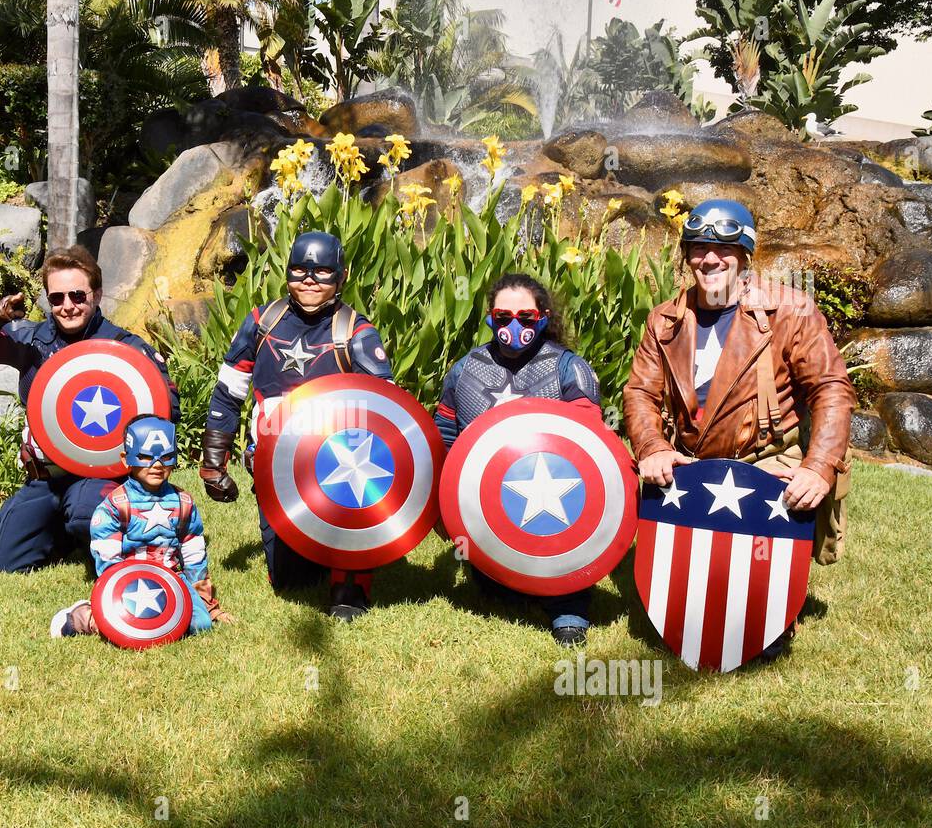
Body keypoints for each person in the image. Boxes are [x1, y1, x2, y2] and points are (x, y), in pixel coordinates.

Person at [623, 198, 856, 655]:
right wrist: (651, 445)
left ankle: (767, 604)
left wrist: (819, 466)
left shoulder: (791, 311)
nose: (708, 259)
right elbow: (640, 393)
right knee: (686, 599)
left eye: (723, 248)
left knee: (757, 620)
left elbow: (831, 388)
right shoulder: (665, 320)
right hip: (694, 463)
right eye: (697, 247)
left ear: (746, 255)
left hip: (768, 460)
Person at [198, 230, 393, 620]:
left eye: (322, 271)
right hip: (273, 462)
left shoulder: (354, 331)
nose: (309, 280)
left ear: (341, 276)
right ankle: (315, 549)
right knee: (291, 580)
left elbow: (384, 410)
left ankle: (350, 580)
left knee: (343, 537)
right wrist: (212, 460)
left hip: (339, 463)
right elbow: (228, 392)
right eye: (300, 270)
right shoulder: (262, 322)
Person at [0, 245, 178, 573]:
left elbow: (166, 408)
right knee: (7, 564)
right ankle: (57, 533)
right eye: (56, 298)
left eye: (77, 295)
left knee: (87, 513)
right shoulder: (30, 341)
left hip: (103, 474)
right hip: (47, 475)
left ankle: (95, 533)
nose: (67, 306)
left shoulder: (126, 348)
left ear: (96, 295)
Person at [434, 273, 603, 647]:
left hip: (559, 498)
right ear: (490, 318)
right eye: (503, 315)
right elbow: (443, 439)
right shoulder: (465, 370)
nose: (514, 325)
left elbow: (594, 451)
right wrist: (441, 507)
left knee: (559, 560)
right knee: (499, 590)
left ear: (543, 317)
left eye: (525, 317)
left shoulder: (568, 369)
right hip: (487, 506)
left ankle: (569, 607)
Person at [50, 415, 229, 637]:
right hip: (128, 580)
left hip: (171, 577)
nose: (157, 465)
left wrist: (207, 604)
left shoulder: (183, 502)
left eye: (165, 457)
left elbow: (194, 554)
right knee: (123, 629)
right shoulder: (114, 506)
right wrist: (113, 600)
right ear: (126, 459)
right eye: (145, 457)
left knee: (199, 625)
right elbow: (108, 561)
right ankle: (85, 615)